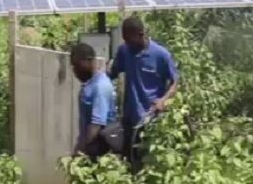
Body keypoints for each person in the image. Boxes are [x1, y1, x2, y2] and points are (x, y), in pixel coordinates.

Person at [108, 15, 179, 169]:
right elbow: (112, 74)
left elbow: (175, 83)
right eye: (125, 40)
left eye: (130, 40)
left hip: (151, 120)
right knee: (128, 162)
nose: (127, 44)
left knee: (148, 163)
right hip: (129, 118)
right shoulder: (124, 51)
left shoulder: (161, 55)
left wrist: (163, 100)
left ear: (141, 35)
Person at [70, 42, 119, 160]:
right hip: (93, 146)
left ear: (88, 61)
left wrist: (82, 152)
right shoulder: (92, 84)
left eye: (77, 66)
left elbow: (96, 124)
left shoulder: (100, 86)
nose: (75, 71)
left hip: (99, 148)